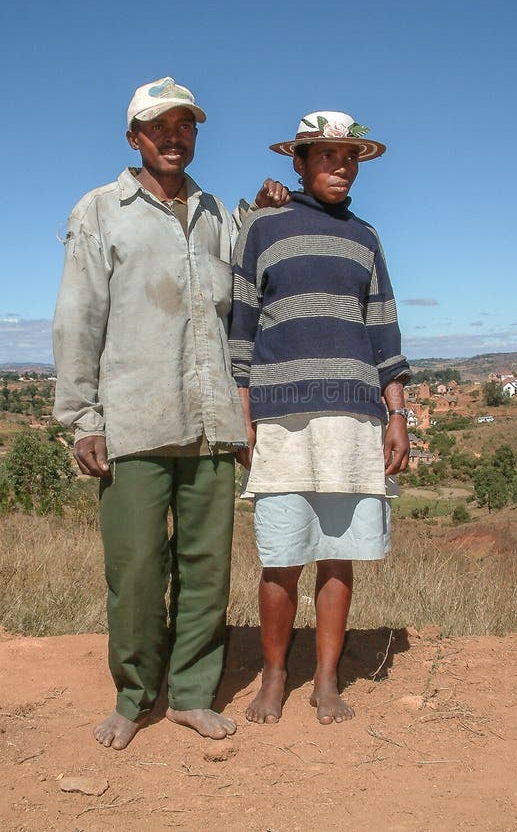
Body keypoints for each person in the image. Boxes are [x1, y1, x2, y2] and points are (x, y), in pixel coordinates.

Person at [53, 77, 289, 750]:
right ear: (135, 138)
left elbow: (250, 275)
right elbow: (78, 319)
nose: (173, 136)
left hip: (213, 422)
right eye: (159, 126)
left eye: (184, 126)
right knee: (134, 570)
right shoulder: (101, 211)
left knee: (207, 569)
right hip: (132, 421)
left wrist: (267, 207)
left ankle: (189, 694)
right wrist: (82, 418)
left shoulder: (217, 213)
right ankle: (132, 697)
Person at [229, 110, 411, 725]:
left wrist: (397, 413)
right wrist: (244, 408)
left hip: (354, 417)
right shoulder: (265, 227)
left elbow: (383, 326)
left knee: (339, 553)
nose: (340, 165)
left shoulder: (367, 237)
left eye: (349, 156)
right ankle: (275, 674)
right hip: (282, 418)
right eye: (326, 155)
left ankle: (327, 680)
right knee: (281, 554)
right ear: (299, 162)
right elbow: (242, 323)